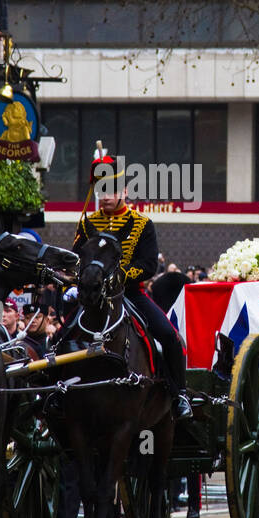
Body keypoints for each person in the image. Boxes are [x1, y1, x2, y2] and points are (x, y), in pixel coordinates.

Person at [71, 149, 190, 421]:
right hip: (93, 298)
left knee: (169, 336)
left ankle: (179, 393)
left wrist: (120, 276)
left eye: (111, 189)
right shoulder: (87, 224)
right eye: (100, 189)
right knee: (61, 337)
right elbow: (78, 257)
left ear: (124, 190)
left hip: (131, 294)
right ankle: (55, 393)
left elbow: (149, 265)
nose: (106, 195)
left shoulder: (142, 224)